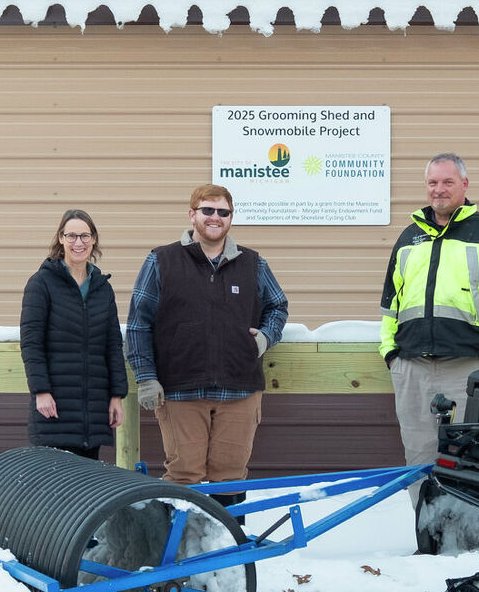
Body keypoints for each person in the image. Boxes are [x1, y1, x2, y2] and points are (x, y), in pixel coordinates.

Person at [379, 153, 479, 543]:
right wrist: (391, 353)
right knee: (418, 459)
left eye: (447, 182)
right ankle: (430, 543)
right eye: (433, 183)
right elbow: (389, 306)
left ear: (465, 186)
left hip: (469, 370)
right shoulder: (409, 238)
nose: (439, 190)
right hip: (413, 368)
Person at [126, 184, 289, 494]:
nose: (216, 217)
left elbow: (277, 306)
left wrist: (266, 337)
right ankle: (182, 543)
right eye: (208, 210)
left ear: (231, 218)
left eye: (223, 212)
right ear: (192, 215)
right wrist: (146, 377)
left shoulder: (253, 264)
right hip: (179, 391)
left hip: (240, 389)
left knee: (230, 478)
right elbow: (138, 324)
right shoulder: (162, 260)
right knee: (184, 475)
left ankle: (230, 541)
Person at [20, 210, 128, 460]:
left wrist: (116, 396)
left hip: (94, 407)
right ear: (60, 238)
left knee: (85, 488)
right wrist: (41, 391)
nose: (78, 243)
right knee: (53, 485)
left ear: (93, 240)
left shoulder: (102, 288)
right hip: (54, 406)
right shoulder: (41, 283)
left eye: (84, 236)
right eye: (71, 236)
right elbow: (31, 343)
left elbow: (112, 344)